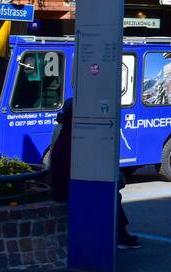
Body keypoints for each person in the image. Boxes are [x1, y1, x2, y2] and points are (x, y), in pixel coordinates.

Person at [48, 98, 139, 249]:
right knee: (111, 195)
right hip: (73, 185)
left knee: (111, 193)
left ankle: (119, 235)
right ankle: (120, 236)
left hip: (60, 184)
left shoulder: (60, 129)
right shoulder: (82, 130)